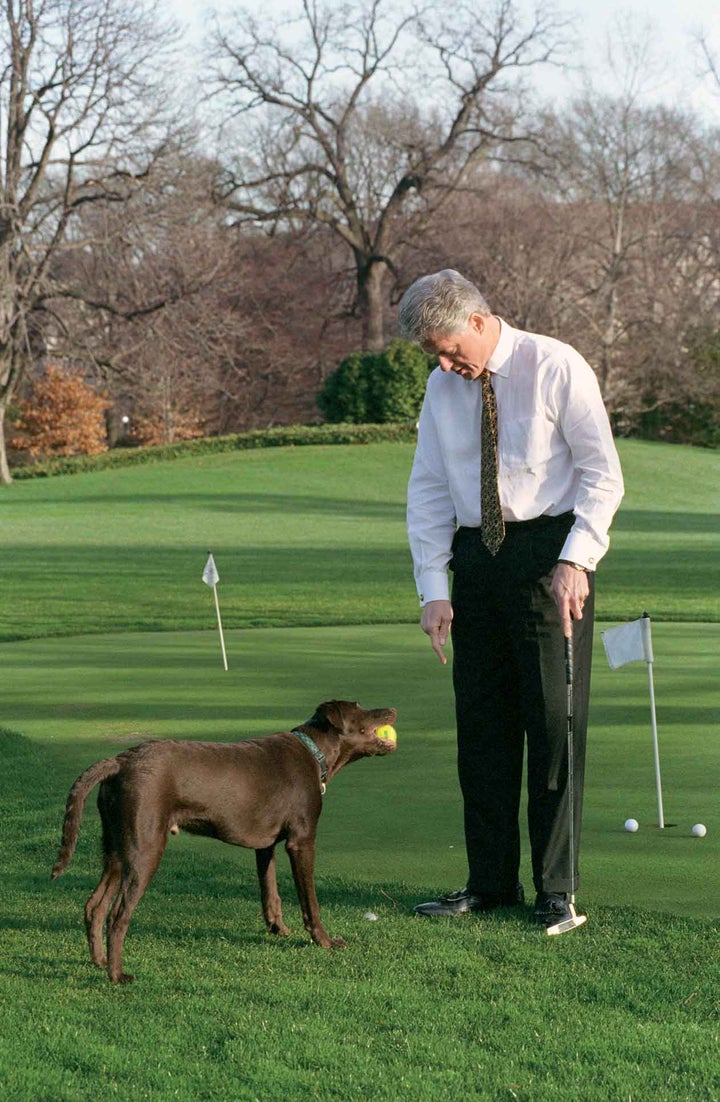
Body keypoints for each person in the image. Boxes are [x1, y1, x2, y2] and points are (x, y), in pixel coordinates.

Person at [399, 270, 624, 928]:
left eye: (449, 351)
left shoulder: (555, 365)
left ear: (477, 320)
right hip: (476, 560)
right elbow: (428, 488)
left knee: (553, 728)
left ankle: (557, 891)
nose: (445, 366)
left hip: (548, 558)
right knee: (482, 732)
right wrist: (433, 588)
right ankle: (490, 883)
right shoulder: (440, 388)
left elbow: (602, 474)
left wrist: (577, 559)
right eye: (434, 357)